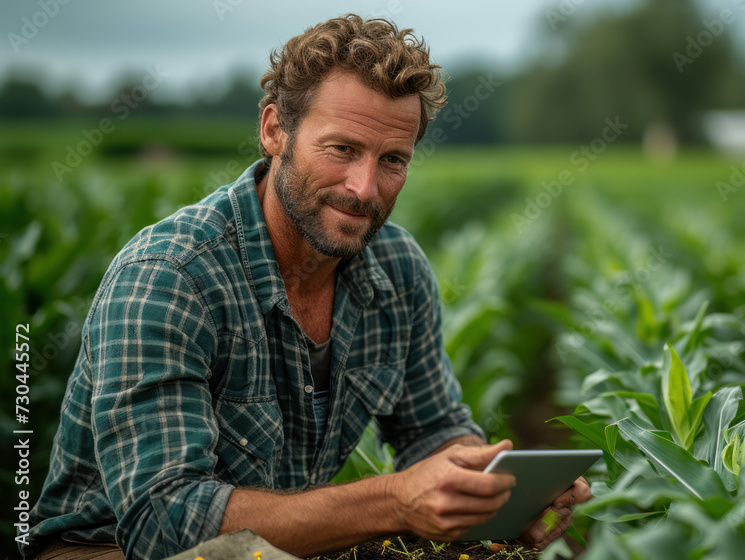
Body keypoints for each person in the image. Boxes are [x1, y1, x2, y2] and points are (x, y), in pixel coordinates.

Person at [20, 14, 591, 560]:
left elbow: (433, 427)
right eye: (343, 149)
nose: (365, 188)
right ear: (275, 130)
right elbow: (165, 525)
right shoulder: (170, 279)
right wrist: (396, 500)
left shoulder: (398, 270)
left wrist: (494, 488)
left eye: (393, 159)